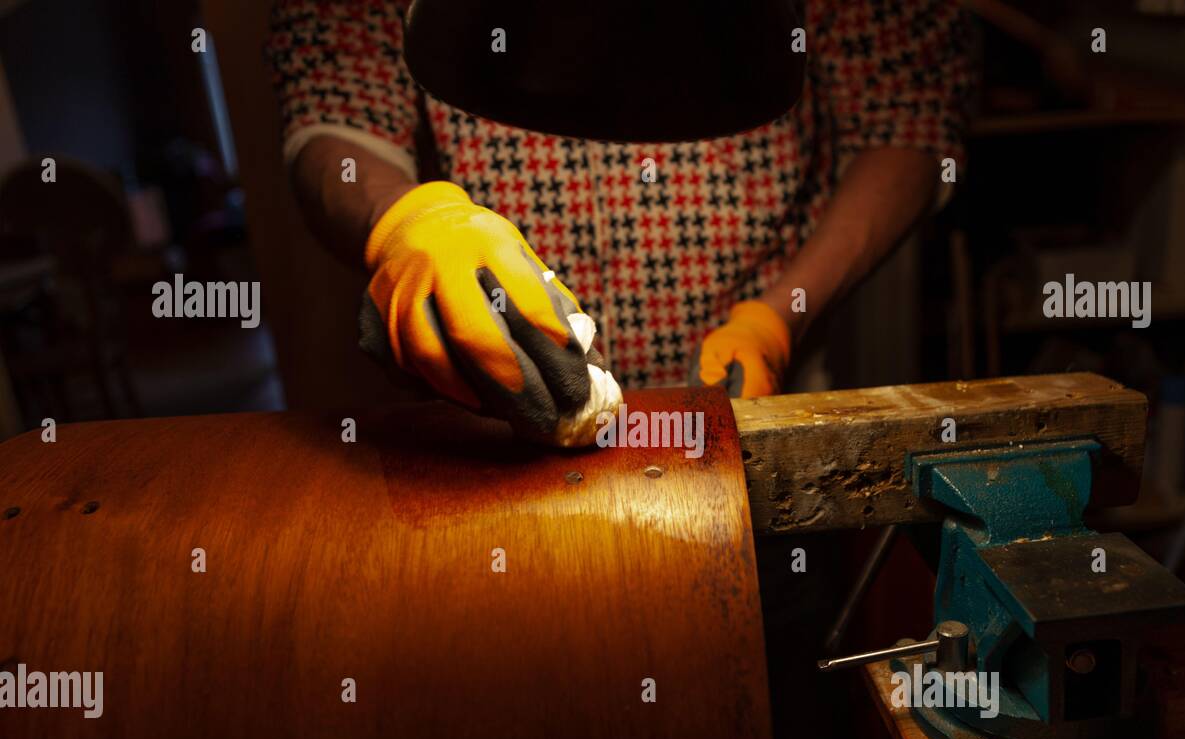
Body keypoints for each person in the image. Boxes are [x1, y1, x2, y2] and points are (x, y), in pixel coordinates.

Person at [268, 0, 972, 444]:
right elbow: (337, 114)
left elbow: (903, 120)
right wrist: (411, 225)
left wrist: (781, 317)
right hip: (488, 437)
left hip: (749, 426)